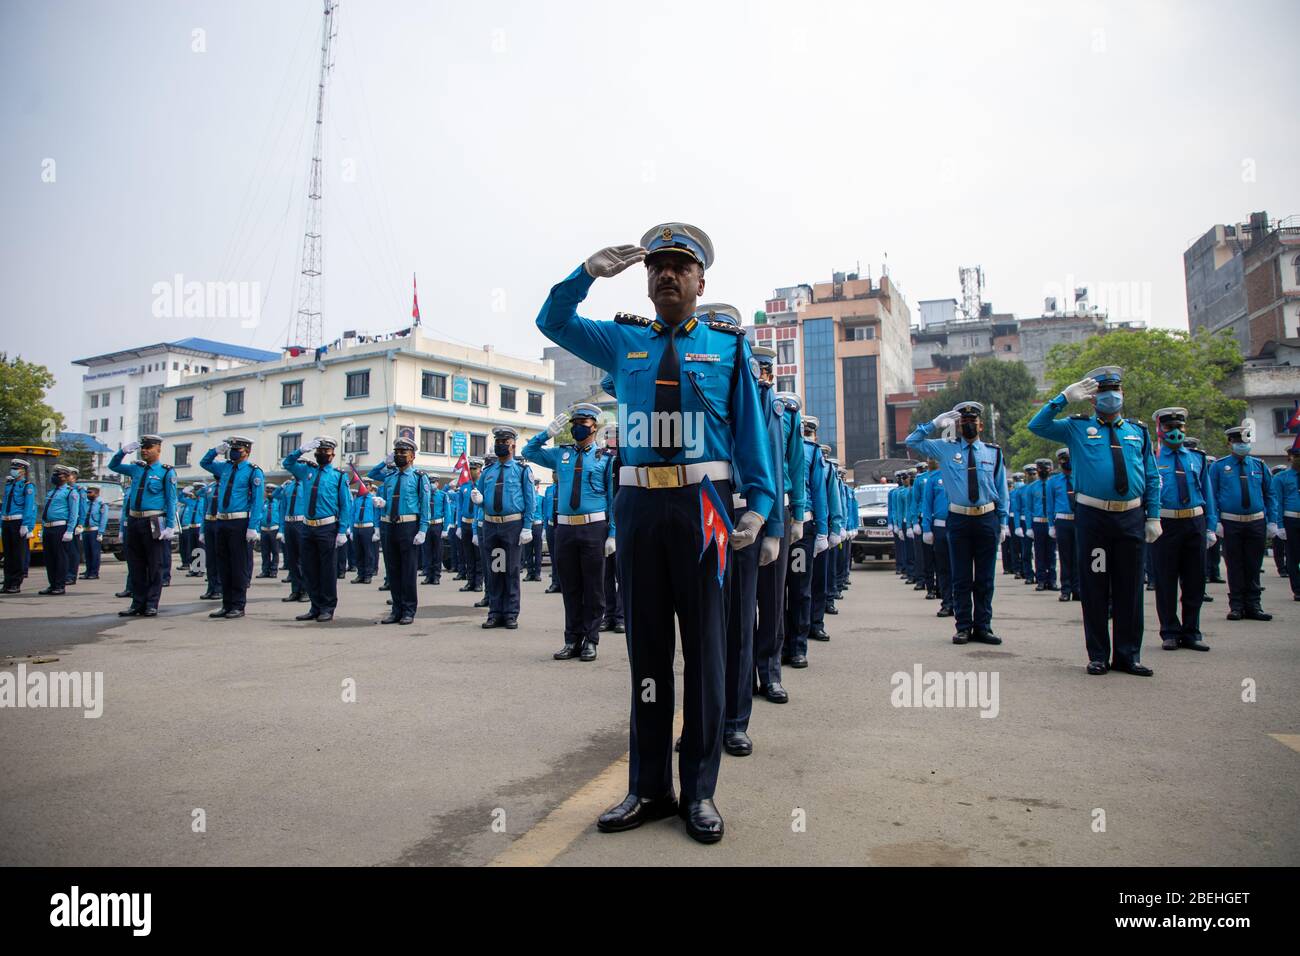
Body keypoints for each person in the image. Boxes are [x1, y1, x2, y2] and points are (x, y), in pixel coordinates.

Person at [536, 222, 775, 845]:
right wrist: (584, 273)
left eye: (679, 267)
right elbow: (551, 323)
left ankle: (698, 791)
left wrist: (762, 506)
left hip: (706, 510)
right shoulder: (622, 341)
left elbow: (750, 430)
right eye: (656, 267)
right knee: (646, 652)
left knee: (703, 652)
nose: (666, 275)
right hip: (638, 505)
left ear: (701, 280)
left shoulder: (729, 348)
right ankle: (648, 788)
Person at [1027, 367, 1160, 676]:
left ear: (1122, 394)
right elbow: (1038, 425)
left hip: (1130, 517)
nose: (1110, 397)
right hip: (1094, 519)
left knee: (1130, 587)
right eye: (1103, 392)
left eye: (1115, 390)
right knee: (1095, 584)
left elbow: (1152, 476)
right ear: (1092, 400)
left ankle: (1128, 655)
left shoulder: (1138, 432)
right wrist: (1062, 398)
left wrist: (1153, 516)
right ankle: (1098, 654)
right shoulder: (1076, 428)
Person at [722, 341, 791, 752]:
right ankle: (703, 716)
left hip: (748, 512)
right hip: (699, 509)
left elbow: (777, 471)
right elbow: (614, 380)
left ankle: (734, 719)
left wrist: (776, 527)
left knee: (743, 617)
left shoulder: (767, 403)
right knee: (701, 626)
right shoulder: (693, 384)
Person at [906, 402, 1010, 644]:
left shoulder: (993, 453)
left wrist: (1003, 522)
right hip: (959, 518)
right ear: (957, 426)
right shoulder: (945, 449)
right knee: (961, 576)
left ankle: (983, 626)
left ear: (981, 425)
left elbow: (1001, 490)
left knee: (985, 578)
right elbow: (912, 441)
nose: (969, 425)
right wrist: (933, 424)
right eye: (964, 422)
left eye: (973, 421)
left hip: (986, 518)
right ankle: (963, 626)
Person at [523, 402, 613, 658]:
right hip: (565, 528)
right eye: (574, 425)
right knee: (571, 586)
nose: (577, 429)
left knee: (593, 587)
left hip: (594, 526)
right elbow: (528, 451)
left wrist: (613, 533)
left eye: (582, 425)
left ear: (594, 427)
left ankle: (591, 640)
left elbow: (612, 497)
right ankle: (572, 639)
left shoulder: (605, 459)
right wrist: (546, 434)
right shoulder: (560, 455)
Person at [1150, 407, 1214, 651]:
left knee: (1195, 580)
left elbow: (1206, 492)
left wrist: (1210, 525)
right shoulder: (1153, 459)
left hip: (1194, 522)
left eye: (1179, 427)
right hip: (1165, 523)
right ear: (1160, 430)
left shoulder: (1196, 458)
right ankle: (1169, 631)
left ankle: (1192, 631)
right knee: (1166, 581)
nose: (1175, 432)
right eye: (1169, 428)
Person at [757, 391, 805, 702]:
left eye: (766, 373)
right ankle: (742, 672)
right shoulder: (731, 402)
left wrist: (799, 514)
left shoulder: (785, 412)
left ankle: (770, 673)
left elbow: (797, 463)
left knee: (773, 598)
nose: (761, 379)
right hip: (740, 507)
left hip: (779, 509)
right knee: (739, 603)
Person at [1207, 424, 1276, 621]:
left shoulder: (1259, 465)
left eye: (1245, 442)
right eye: (1237, 442)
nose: (1242, 445)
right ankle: (1236, 605)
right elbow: (1212, 496)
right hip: (1231, 522)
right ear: (1230, 443)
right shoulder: (1219, 467)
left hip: (1256, 522)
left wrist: (1272, 521)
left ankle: (1254, 605)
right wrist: (1215, 522)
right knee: (1235, 565)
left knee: (1253, 564)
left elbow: (1270, 495)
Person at [281, 437, 352, 623]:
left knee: (327, 570)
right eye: (319, 451)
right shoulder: (307, 471)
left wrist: (343, 530)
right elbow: (287, 463)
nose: (322, 454)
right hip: (307, 527)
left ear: (333, 455)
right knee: (310, 569)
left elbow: (345, 505)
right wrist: (300, 450)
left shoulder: (339, 476)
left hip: (327, 527)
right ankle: (314, 606)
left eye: (326, 452)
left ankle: (327, 607)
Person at [472, 428, 535, 629]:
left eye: (504, 441)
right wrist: (479, 501)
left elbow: (530, 500)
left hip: (512, 524)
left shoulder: (522, 471)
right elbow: (480, 497)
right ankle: (495, 611)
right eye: (498, 441)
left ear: (513, 445)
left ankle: (510, 613)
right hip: (491, 525)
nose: (500, 444)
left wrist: (527, 527)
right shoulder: (488, 472)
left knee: (511, 569)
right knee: (494, 569)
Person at [108, 435, 178, 616]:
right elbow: (113, 466)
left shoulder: (166, 471)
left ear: (158, 449)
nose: (145, 450)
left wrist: (170, 526)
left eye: (149, 447)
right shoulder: (136, 469)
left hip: (154, 520)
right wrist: (122, 452)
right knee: (135, 563)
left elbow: (171, 500)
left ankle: (152, 603)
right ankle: (137, 603)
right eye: (142, 448)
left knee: (154, 564)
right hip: (134, 519)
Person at [200, 436, 265, 620]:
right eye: (232, 449)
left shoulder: (254, 472)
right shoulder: (225, 467)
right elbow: (204, 463)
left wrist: (253, 527)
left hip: (240, 522)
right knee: (224, 564)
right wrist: (215, 451)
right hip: (221, 521)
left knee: (238, 565)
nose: (234, 452)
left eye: (239, 449)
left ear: (247, 452)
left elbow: (257, 501)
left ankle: (238, 605)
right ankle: (226, 604)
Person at [370, 437, 430, 624]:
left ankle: (408, 610)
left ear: (412, 456)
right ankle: (396, 609)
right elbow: (373, 473)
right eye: (396, 453)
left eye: (403, 453)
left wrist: (423, 529)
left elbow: (425, 505)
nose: (399, 456)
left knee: (408, 569)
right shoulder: (389, 477)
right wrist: (383, 505)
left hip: (408, 526)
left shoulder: (419, 477)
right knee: (393, 569)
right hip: (389, 524)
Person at [784, 416, 829, 668]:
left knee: (800, 589)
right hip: (779, 522)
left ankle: (798, 646)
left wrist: (822, 531)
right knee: (777, 592)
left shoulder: (811, 452)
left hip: (802, 529)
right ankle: (780, 645)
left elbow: (819, 492)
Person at [38, 465, 78, 595]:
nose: (55, 477)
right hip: (48, 527)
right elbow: (46, 511)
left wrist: (70, 530)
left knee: (60, 557)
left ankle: (60, 585)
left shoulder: (70, 492)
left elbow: (73, 513)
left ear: (66, 477)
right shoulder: (51, 492)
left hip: (60, 527)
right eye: (55, 474)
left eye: (59, 474)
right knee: (49, 558)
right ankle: (52, 584)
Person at [921, 460, 953, 617]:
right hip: (940, 526)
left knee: (962, 568)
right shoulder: (933, 478)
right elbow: (927, 504)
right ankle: (947, 602)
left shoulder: (960, 473)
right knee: (943, 567)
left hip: (960, 524)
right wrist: (926, 528)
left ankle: (961, 603)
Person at [1045, 448, 1078, 601]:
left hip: (1079, 520)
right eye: (1064, 460)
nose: (1067, 463)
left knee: (1079, 556)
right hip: (1063, 520)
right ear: (1060, 462)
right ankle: (1065, 589)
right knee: (1065, 557)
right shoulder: (1053, 482)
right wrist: (1051, 525)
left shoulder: (1080, 477)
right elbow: (1050, 505)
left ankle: (1078, 589)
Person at [3, 458, 37, 594]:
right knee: (8, 555)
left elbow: (29, 507)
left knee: (18, 554)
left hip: (18, 522)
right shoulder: (9, 485)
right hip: (6, 521)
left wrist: (26, 525)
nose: (14, 471)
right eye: (13, 468)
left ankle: (16, 583)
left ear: (23, 471)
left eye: (16, 469)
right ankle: (7, 582)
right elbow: (5, 505)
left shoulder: (27, 486)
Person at [1270, 445, 1299, 601]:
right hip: (1291, 519)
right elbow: (1277, 502)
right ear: (1290, 458)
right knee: (1293, 556)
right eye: (1296, 457)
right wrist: (1279, 524)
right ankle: (1298, 589)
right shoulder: (1281, 478)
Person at [455, 459, 483, 593]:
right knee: (468, 554)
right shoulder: (464, 487)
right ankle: (470, 581)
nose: (472, 471)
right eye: (470, 469)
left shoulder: (482, 487)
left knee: (478, 555)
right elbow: (459, 507)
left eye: (475, 469)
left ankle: (478, 582)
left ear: (480, 470)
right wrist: (459, 525)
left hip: (476, 524)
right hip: (465, 523)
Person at [80, 483, 108, 580]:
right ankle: (88, 571)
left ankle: (94, 572)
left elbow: (103, 519)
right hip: (86, 530)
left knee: (95, 553)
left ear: (96, 493)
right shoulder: (87, 503)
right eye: (87, 492)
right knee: (87, 552)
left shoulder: (102, 504)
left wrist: (101, 533)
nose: (88, 494)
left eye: (90, 492)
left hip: (95, 531)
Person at [423, 477, 446, 585]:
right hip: (427, 525)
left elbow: (447, 512)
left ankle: (436, 576)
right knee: (427, 551)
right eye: (430, 482)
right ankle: (428, 575)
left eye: (434, 482)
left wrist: (445, 528)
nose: (432, 484)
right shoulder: (425, 495)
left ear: (438, 483)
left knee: (437, 552)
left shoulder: (442, 495)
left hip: (438, 525)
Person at [258, 483, 282, 578]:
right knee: (264, 552)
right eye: (267, 492)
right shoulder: (263, 503)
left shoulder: (278, 503)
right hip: (264, 530)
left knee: (275, 551)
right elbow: (259, 517)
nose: (269, 494)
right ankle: (265, 570)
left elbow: (281, 517)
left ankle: (273, 570)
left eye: (271, 492)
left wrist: (281, 531)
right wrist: (258, 531)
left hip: (274, 530)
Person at [541, 475, 560, 593]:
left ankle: (564, 583)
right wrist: (544, 527)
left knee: (563, 556)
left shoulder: (565, 487)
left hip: (562, 525)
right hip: (550, 524)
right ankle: (555, 583)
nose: (554, 475)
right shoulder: (549, 490)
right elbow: (545, 509)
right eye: (553, 473)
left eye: (556, 472)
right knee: (553, 556)